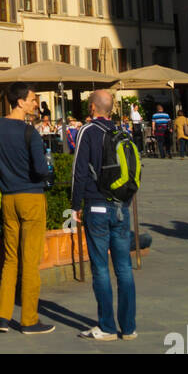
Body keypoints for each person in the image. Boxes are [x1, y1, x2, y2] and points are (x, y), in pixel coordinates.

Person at [0, 82, 54, 335]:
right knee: (29, 260)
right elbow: (40, 169)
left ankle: (3, 316)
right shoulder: (30, 133)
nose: (34, 104)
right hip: (31, 197)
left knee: (9, 258)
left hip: (8, 198)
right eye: (32, 99)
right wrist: (43, 174)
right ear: (20, 102)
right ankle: (29, 319)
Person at [71, 89, 136, 341]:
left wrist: (76, 205)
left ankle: (107, 327)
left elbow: (79, 171)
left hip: (96, 206)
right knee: (124, 268)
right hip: (121, 206)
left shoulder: (87, 131)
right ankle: (128, 328)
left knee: (100, 268)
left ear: (92, 108)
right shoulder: (122, 132)